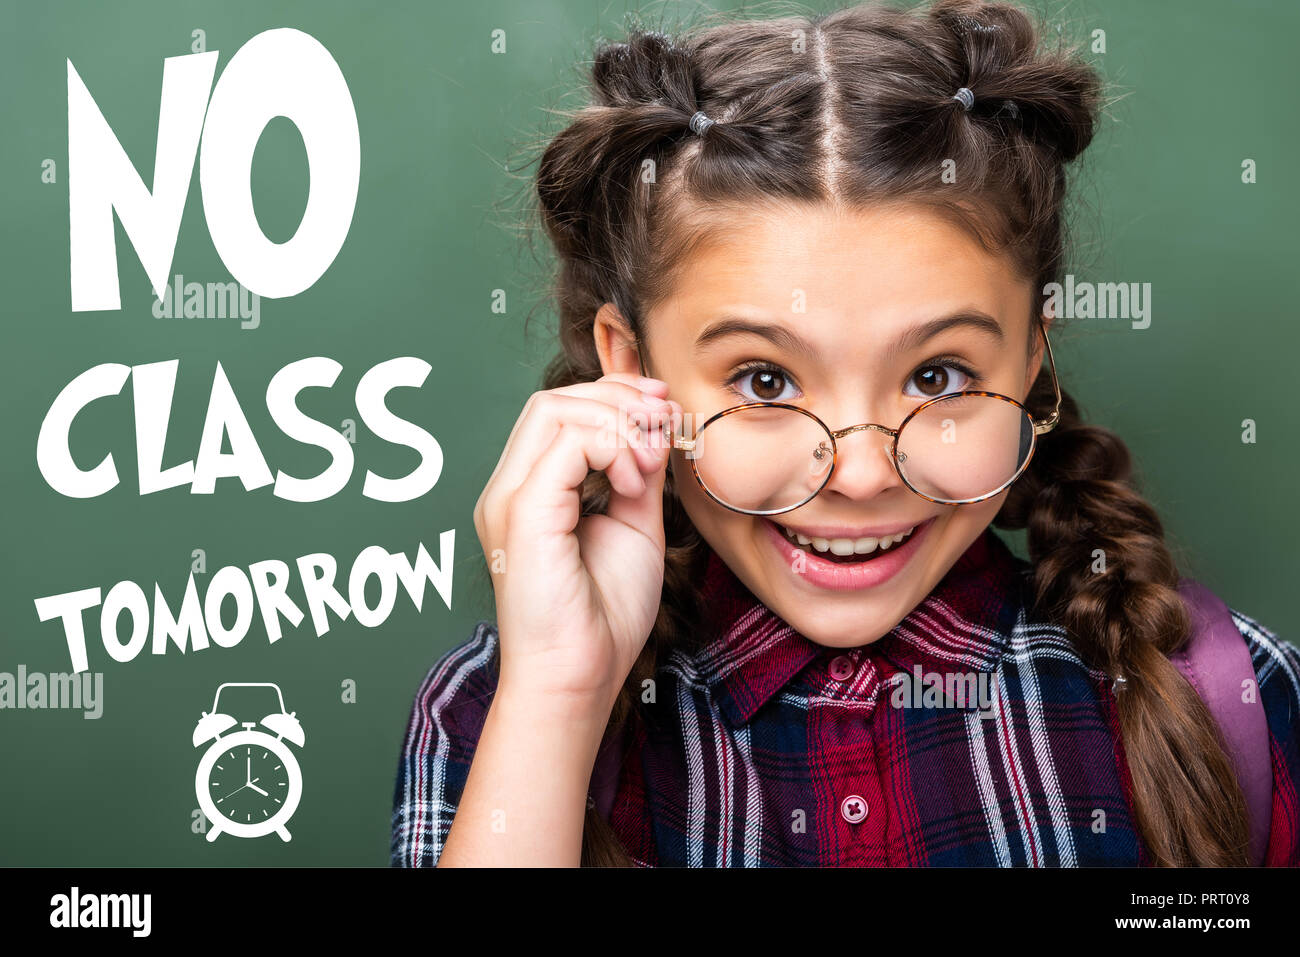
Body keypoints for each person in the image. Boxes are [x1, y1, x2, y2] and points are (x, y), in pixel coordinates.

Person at [390, 0, 1300, 867]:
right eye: (766, 381)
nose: (861, 472)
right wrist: (556, 695)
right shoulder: (494, 718)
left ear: (1030, 362)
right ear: (633, 373)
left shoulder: (1230, 697)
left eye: (938, 378)